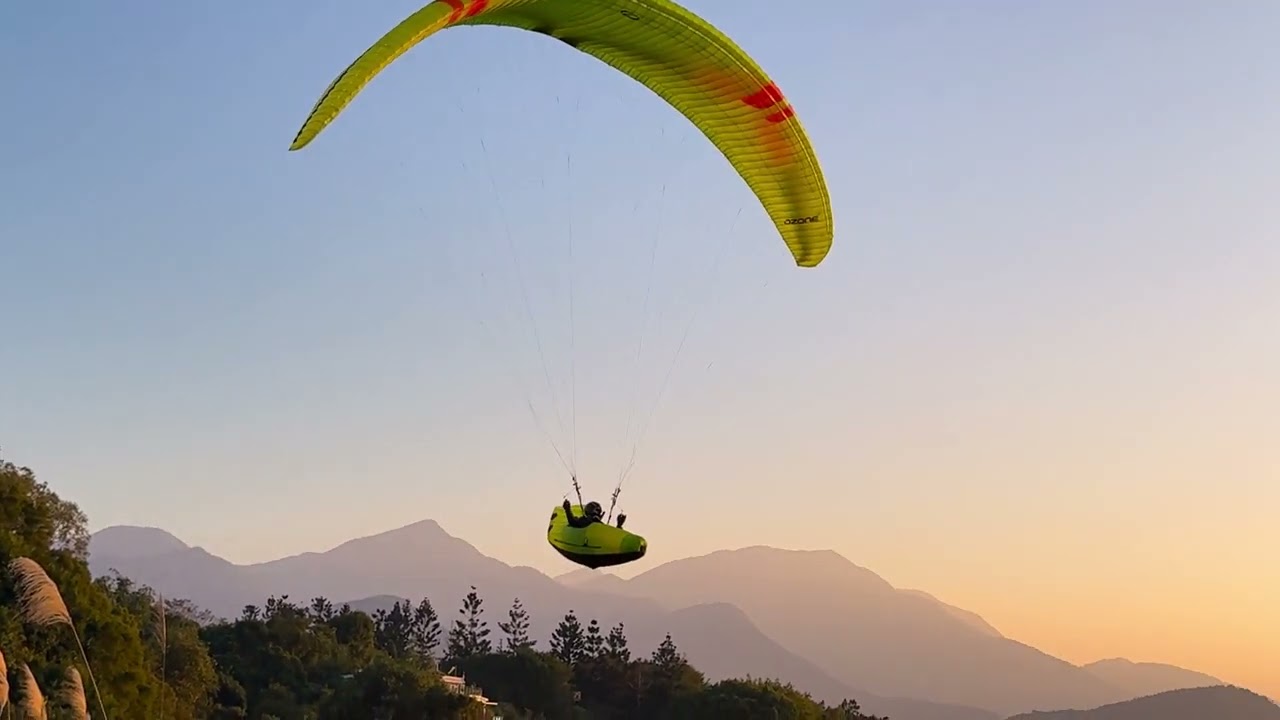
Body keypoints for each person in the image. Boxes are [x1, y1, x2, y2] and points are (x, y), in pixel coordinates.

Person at [563, 499, 627, 529]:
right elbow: (573, 523)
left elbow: (612, 536)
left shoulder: (600, 526)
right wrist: (567, 510)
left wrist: (619, 525)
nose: (595, 517)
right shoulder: (584, 521)